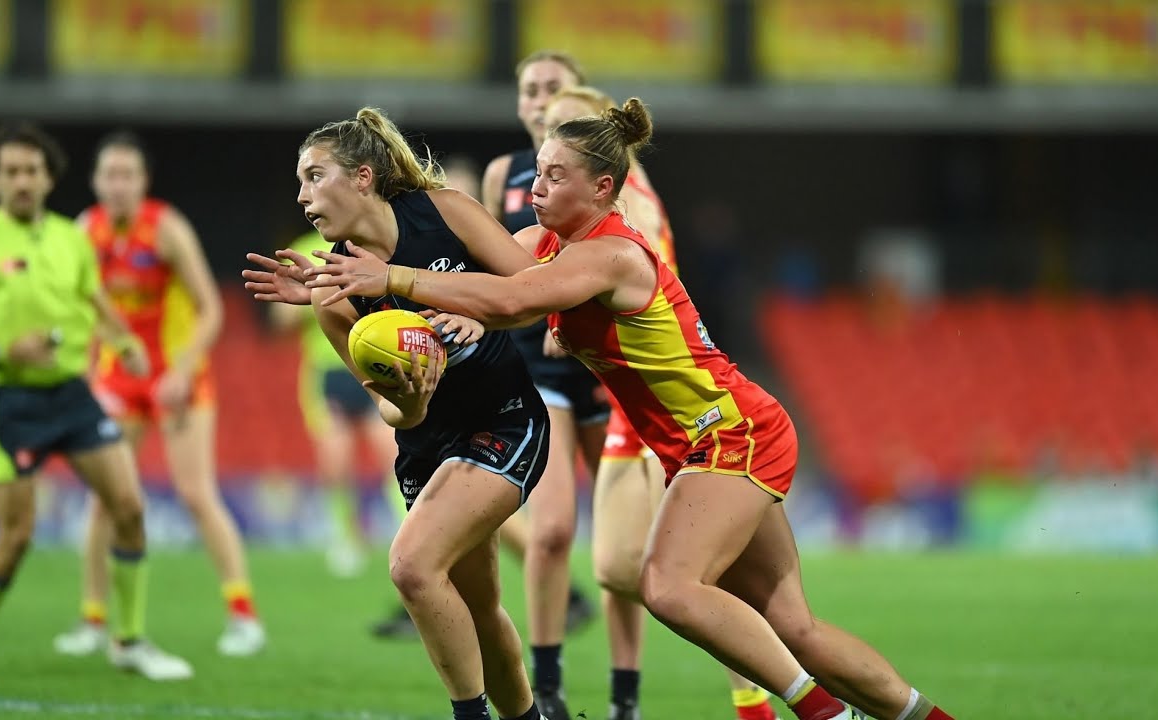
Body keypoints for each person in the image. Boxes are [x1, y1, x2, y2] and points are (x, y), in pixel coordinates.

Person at [305, 99, 956, 720]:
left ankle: (822, 711)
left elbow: (512, 300)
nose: (537, 187)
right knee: (795, 630)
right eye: (538, 171)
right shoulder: (549, 245)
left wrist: (393, 279)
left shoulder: (612, 253)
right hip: (703, 442)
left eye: (556, 176)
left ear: (602, 188)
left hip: (730, 430)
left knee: (668, 586)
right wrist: (324, 285)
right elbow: (489, 285)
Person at [242, 108, 553, 720]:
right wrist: (412, 396)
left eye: (314, 176)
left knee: (412, 566)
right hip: (428, 446)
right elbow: (394, 415)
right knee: (479, 609)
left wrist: (480, 314)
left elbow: (540, 292)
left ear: (363, 177)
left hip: (504, 419)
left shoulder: (445, 212)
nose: (302, 195)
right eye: (300, 182)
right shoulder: (331, 292)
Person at [0, 122, 192, 683]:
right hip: (8, 399)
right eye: (11, 172)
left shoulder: (72, 238)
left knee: (129, 508)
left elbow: (94, 298)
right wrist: (1, 348)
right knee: (16, 536)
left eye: (32, 171)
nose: (23, 181)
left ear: (48, 179)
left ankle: (128, 641)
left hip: (71, 395)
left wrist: (123, 341)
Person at [541, 87, 776, 720]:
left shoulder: (627, 209)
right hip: (626, 399)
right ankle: (629, 698)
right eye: (533, 99)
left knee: (677, 575)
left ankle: (754, 701)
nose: (540, 112)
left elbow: (627, 288)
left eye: (556, 108)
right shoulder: (542, 192)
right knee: (619, 569)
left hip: (670, 403)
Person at [52, 131, 265, 658]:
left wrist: (182, 371)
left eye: (128, 175)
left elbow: (212, 308)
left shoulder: (167, 229)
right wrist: (83, 367)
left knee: (196, 494)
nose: (118, 185)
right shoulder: (84, 232)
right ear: (95, 181)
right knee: (105, 501)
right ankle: (92, 620)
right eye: (109, 174)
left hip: (177, 375)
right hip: (119, 378)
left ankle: (243, 616)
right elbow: (78, 309)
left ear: (143, 181)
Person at [481, 50, 601, 716]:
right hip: (537, 365)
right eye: (530, 89)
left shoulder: (611, 175)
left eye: (554, 89)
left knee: (628, 554)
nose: (540, 100)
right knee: (551, 531)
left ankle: (626, 691)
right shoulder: (503, 174)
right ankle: (548, 688)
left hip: (607, 368)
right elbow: (487, 266)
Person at [271, 230, 398, 579]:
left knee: (392, 454)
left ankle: (404, 528)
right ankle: (346, 538)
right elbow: (280, 320)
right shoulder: (301, 250)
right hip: (328, 370)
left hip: (372, 362)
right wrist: (316, 292)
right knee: (335, 462)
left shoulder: (371, 244)